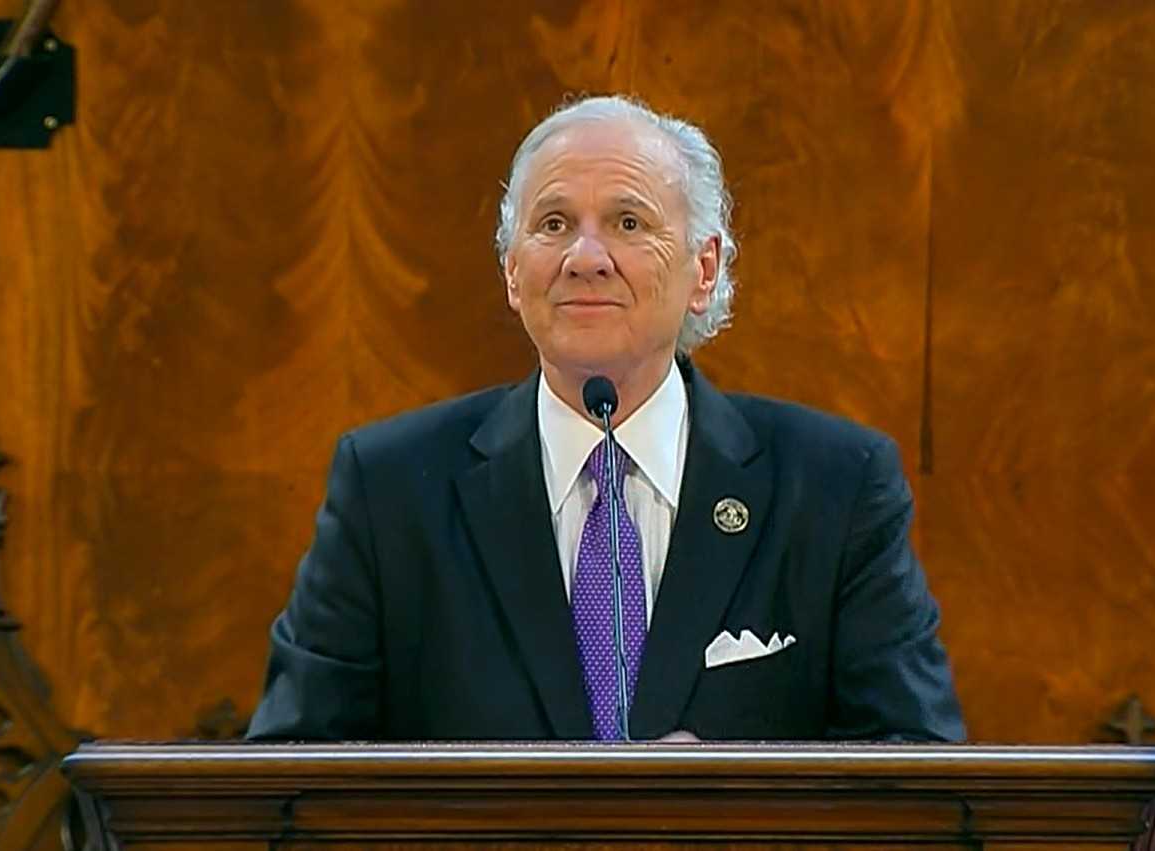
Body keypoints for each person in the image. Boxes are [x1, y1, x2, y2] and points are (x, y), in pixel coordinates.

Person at [247, 95, 963, 742]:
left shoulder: (835, 488)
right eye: (553, 223)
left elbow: (919, 775)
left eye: (627, 222)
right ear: (510, 271)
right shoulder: (390, 489)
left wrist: (743, 803)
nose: (585, 258)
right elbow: (289, 777)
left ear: (703, 268)